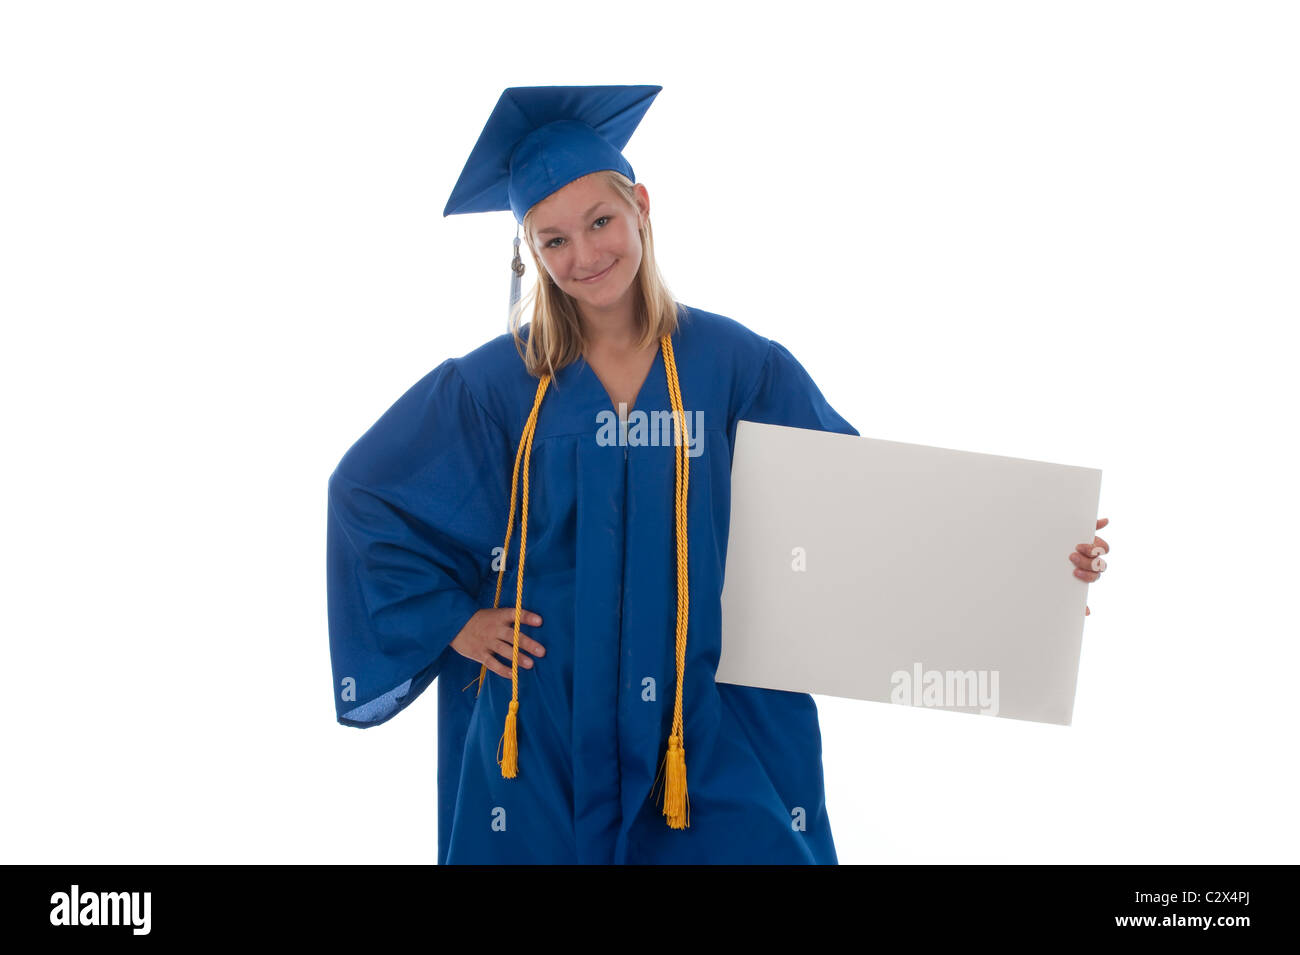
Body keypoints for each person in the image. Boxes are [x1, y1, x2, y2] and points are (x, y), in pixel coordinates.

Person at [326, 85, 1111, 865]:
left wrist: (1031, 572)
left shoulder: (736, 366)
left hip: (706, 715)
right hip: (543, 723)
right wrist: (452, 621)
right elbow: (365, 496)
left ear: (640, 206)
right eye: (553, 240)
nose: (584, 256)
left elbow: (856, 505)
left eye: (600, 221)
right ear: (530, 251)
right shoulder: (496, 385)